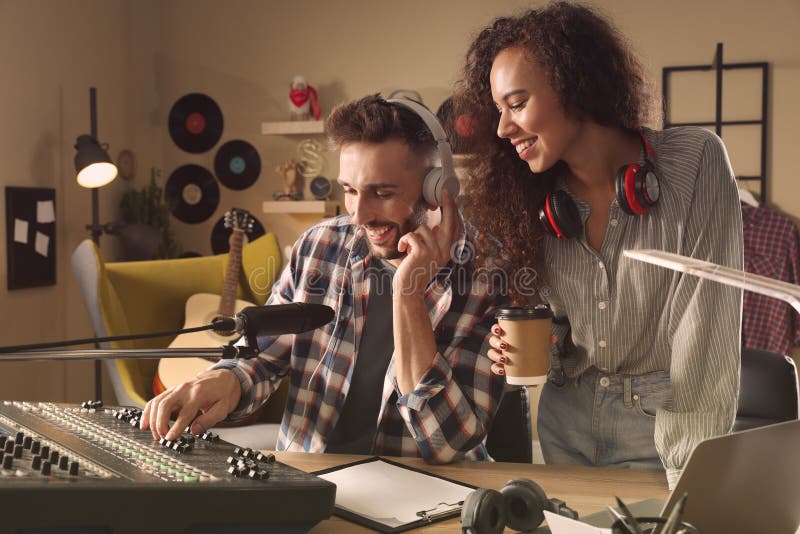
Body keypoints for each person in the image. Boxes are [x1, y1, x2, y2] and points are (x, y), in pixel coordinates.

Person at [456, 2, 743, 487]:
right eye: (499, 111)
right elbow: (562, 336)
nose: (503, 129)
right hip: (564, 429)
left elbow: (705, 334)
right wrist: (541, 345)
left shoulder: (696, 163)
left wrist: (690, 479)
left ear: (574, 84)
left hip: (661, 433)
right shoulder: (534, 199)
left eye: (517, 103)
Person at [142, 94, 504, 462]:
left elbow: (447, 442)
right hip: (312, 482)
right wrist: (225, 380)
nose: (360, 215)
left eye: (382, 193)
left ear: (436, 190)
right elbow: (263, 357)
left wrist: (408, 294)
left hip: (429, 495)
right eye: (349, 190)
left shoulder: (487, 275)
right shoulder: (320, 245)